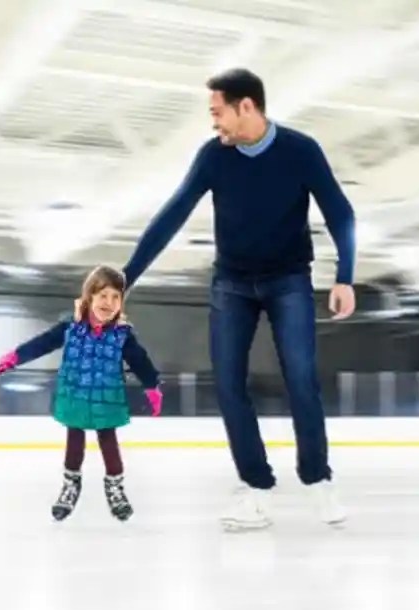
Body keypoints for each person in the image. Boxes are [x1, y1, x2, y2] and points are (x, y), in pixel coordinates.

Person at [119, 68, 355, 530]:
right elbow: (173, 214)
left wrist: (345, 277)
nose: (214, 123)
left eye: (217, 112)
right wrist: (126, 277)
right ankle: (256, 487)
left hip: (288, 280)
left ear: (247, 106)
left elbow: (340, 212)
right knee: (227, 385)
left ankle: (318, 480)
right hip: (231, 283)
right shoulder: (213, 157)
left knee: (301, 379)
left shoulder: (300, 151)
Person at [0, 265, 162, 522]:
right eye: (103, 296)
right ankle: (71, 487)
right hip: (75, 393)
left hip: (106, 397)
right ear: (90, 297)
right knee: (74, 440)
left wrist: (152, 385)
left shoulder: (122, 335)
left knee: (109, 442)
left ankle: (115, 489)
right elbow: (43, 343)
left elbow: (140, 360)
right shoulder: (70, 327)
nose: (109, 303)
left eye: (115, 297)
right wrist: (16, 356)